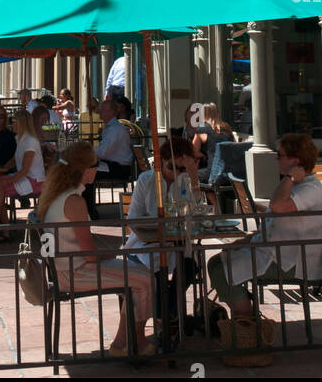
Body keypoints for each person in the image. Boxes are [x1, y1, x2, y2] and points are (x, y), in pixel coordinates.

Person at [35, 141, 154, 356]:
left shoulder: (57, 196)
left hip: (63, 270)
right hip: (74, 273)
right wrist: (113, 253)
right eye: (96, 164)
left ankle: (121, 343)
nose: (98, 169)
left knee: (137, 275)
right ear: (85, 170)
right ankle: (137, 341)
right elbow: (90, 255)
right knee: (145, 279)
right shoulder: (73, 201)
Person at [207, 133, 322, 319]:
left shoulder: (309, 189)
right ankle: (245, 309)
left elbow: (278, 206)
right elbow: (274, 224)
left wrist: (289, 176)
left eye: (280, 155)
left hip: (290, 262)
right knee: (215, 261)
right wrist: (246, 240)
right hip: (272, 251)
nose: (276, 159)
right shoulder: (294, 184)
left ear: (296, 161)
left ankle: (246, 321)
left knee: (223, 273)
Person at [125, 138, 200, 335]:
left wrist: (193, 178)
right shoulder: (147, 180)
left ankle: (167, 316)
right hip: (144, 244)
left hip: (175, 244)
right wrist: (157, 224)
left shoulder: (185, 181)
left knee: (189, 269)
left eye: (181, 169)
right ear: (162, 161)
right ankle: (167, 320)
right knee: (157, 274)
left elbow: (198, 214)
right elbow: (133, 219)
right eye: (171, 167)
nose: (176, 173)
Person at [0, 109, 46, 237]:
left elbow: (25, 170)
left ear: (21, 124)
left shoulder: (30, 141)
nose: (11, 125)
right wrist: (0, 171)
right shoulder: (19, 139)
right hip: (26, 178)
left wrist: (6, 180)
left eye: (14, 122)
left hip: (35, 181)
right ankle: (0, 227)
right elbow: (13, 161)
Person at [82, 97, 134, 220]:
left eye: (103, 109)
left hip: (119, 168)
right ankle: (88, 209)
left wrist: (86, 150)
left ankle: (90, 211)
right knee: (86, 172)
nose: (99, 110)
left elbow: (103, 152)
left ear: (111, 112)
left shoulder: (115, 129)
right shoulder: (111, 127)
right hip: (113, 164)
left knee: (86, 175)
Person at [190, 102, 234, 180]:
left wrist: (204, 155)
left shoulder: (202, 128)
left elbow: (194, 152)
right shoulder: (227, 128)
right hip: (230, 173)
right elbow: (234, 146)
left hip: (212, 173)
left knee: (185, 175)